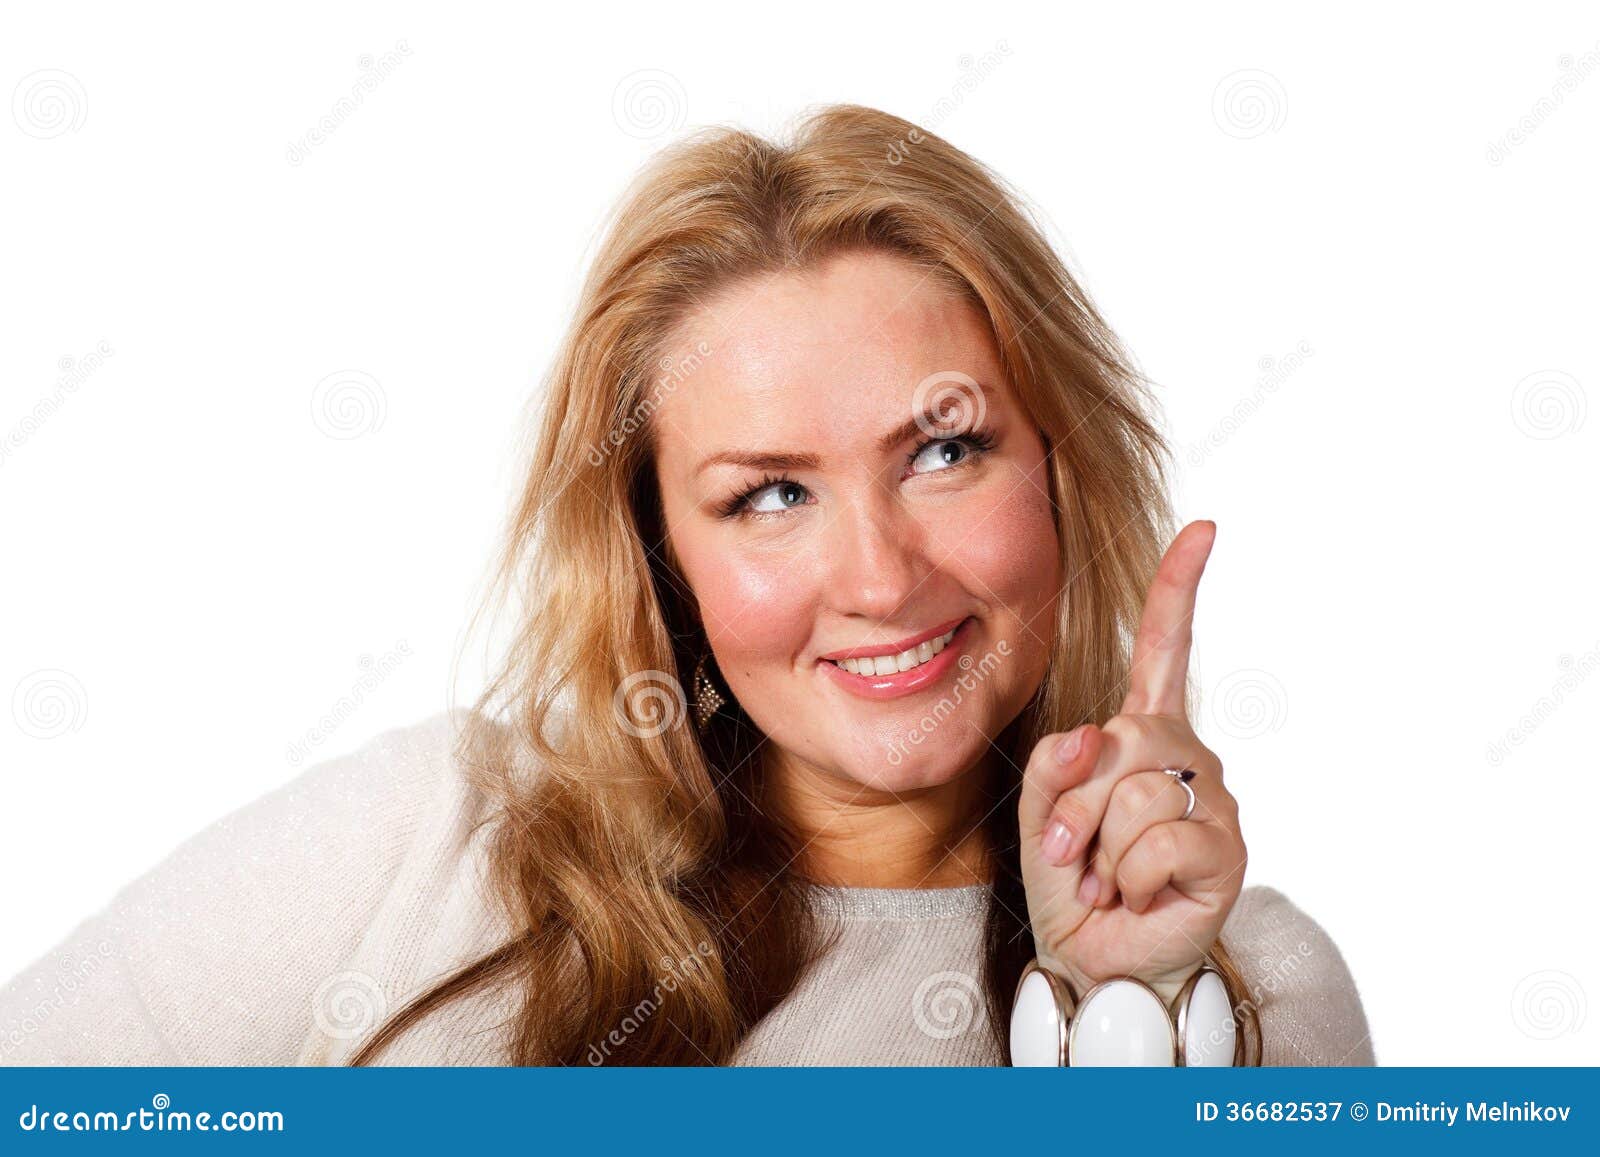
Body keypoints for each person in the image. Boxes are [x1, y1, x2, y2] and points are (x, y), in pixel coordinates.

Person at [0, 104, 1373, 1067]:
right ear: (661, 549)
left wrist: (1128, 1025)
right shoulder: (431, 835)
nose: (881, 576)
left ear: (1062, 468)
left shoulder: (1257, 994)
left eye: (945, 449)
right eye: (770, 494)